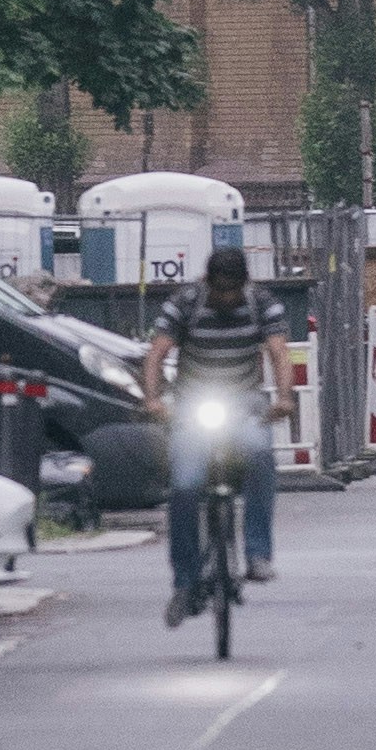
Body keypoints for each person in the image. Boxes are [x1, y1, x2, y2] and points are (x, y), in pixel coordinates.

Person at [145, 236, 281, 624]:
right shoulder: (185, 303)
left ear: (244, 283)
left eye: (232, 290)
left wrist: (284, 398)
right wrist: (154, 400)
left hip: (244, 404)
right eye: (219, 290)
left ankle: (258, 553)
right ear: (207, 281)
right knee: (185, 485)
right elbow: (157, 353)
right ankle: (185, 581)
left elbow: (278, 351)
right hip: (193, 405)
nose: (225, 297)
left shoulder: (262, 303)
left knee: (259, 456)